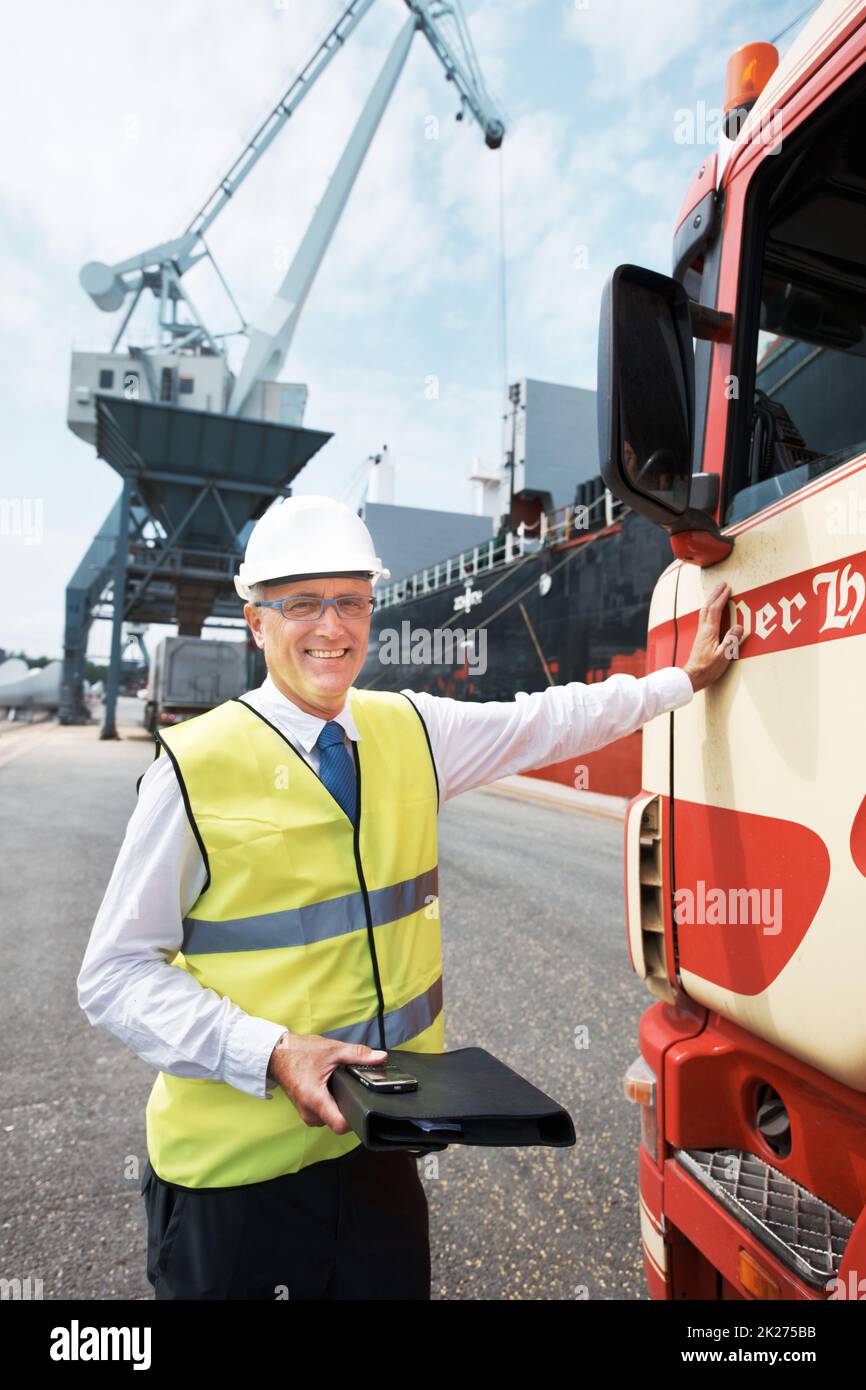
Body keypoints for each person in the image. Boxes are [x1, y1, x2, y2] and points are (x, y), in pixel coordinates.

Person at [77, 494, 742, 1301]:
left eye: (351, 600)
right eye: (302, 604)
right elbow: (114, 974)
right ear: (257, 623)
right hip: (232, 1184)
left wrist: (684, 678)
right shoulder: (194, 769)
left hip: (377, 1160)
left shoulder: (411, 731)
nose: (333, 626)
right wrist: (272, 1052)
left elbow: (548, 721)